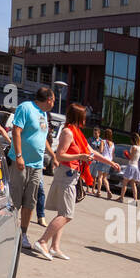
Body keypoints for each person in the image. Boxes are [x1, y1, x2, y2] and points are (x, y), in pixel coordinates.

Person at [33, 103, 116, 260]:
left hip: (71, 176)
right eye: (84, 116)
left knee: (63, 213)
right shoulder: (68, 132)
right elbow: (59, 155)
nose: (86, 119)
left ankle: (54, 247)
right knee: (67, 214)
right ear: (78, 116)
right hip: (66, 175)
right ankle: (42, 241)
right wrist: (79, 157)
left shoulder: (77, 133)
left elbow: (91, 152)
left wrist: (111, 163)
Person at [9, 85, 58, 250]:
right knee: (15, 200)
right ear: (49, 99)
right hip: (20, 163)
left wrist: (53, 155)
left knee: (30, 201)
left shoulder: (44, 114)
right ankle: (10, 232)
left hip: (37, 165)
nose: (54, 103)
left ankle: (23, 234)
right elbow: (16, 131)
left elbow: (42, 137)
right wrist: (18, 156)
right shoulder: (25, 108)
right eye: (54, 100)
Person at [117, 132, 140, 203]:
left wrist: (126, 154)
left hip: (131, 166)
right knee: (133, 184)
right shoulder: (139, 148)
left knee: (125, 182)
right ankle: (135, 200)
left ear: (133, 140)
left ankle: (121, 197)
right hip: (136, 166)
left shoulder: (134, 147)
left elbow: (130, 157)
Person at [90, 127, 113, 198]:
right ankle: (108, 190)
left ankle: (99, 192)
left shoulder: (103, 141)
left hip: (103, 159)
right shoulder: (112, 143)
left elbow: (101, 151)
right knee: (105, 178)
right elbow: (112, 154)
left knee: (100, 177)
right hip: (109, 161)